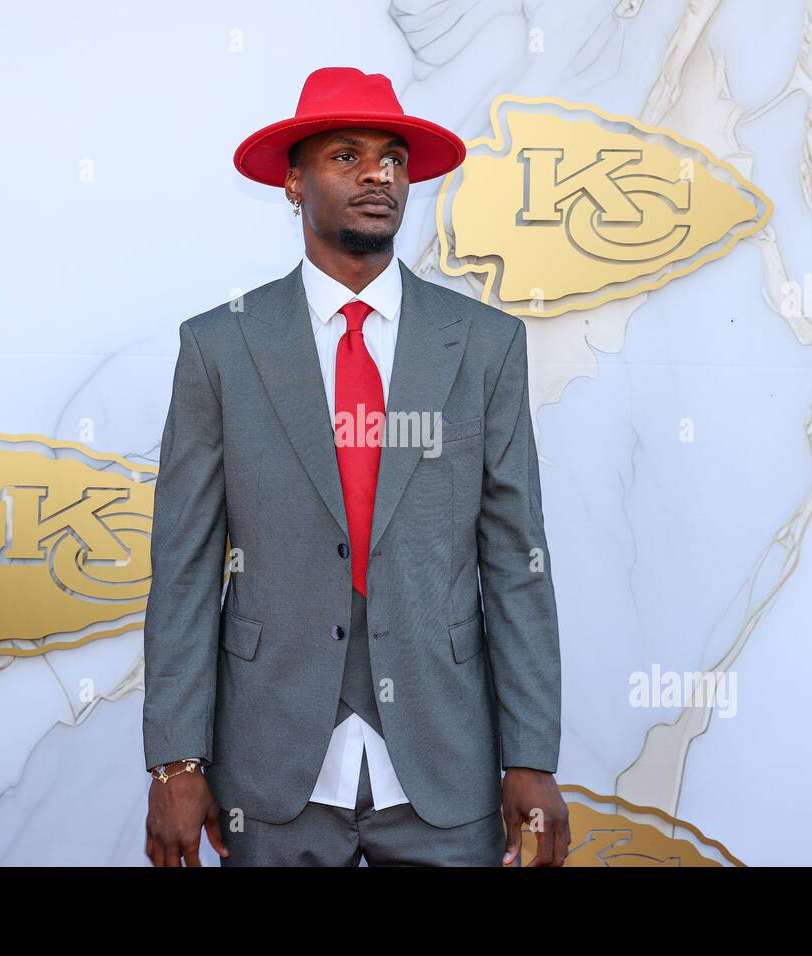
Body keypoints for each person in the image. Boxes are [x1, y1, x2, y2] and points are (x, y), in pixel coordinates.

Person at [143, 66, 567, 866]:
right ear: (293, 184)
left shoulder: (483, 345)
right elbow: (185, 568)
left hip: (447, 770)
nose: (379, 175)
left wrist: (532, 757)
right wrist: (175, 760)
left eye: (394, 159)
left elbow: (516, 562)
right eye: (347, 156)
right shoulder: (220, 348)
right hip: (270, 773)